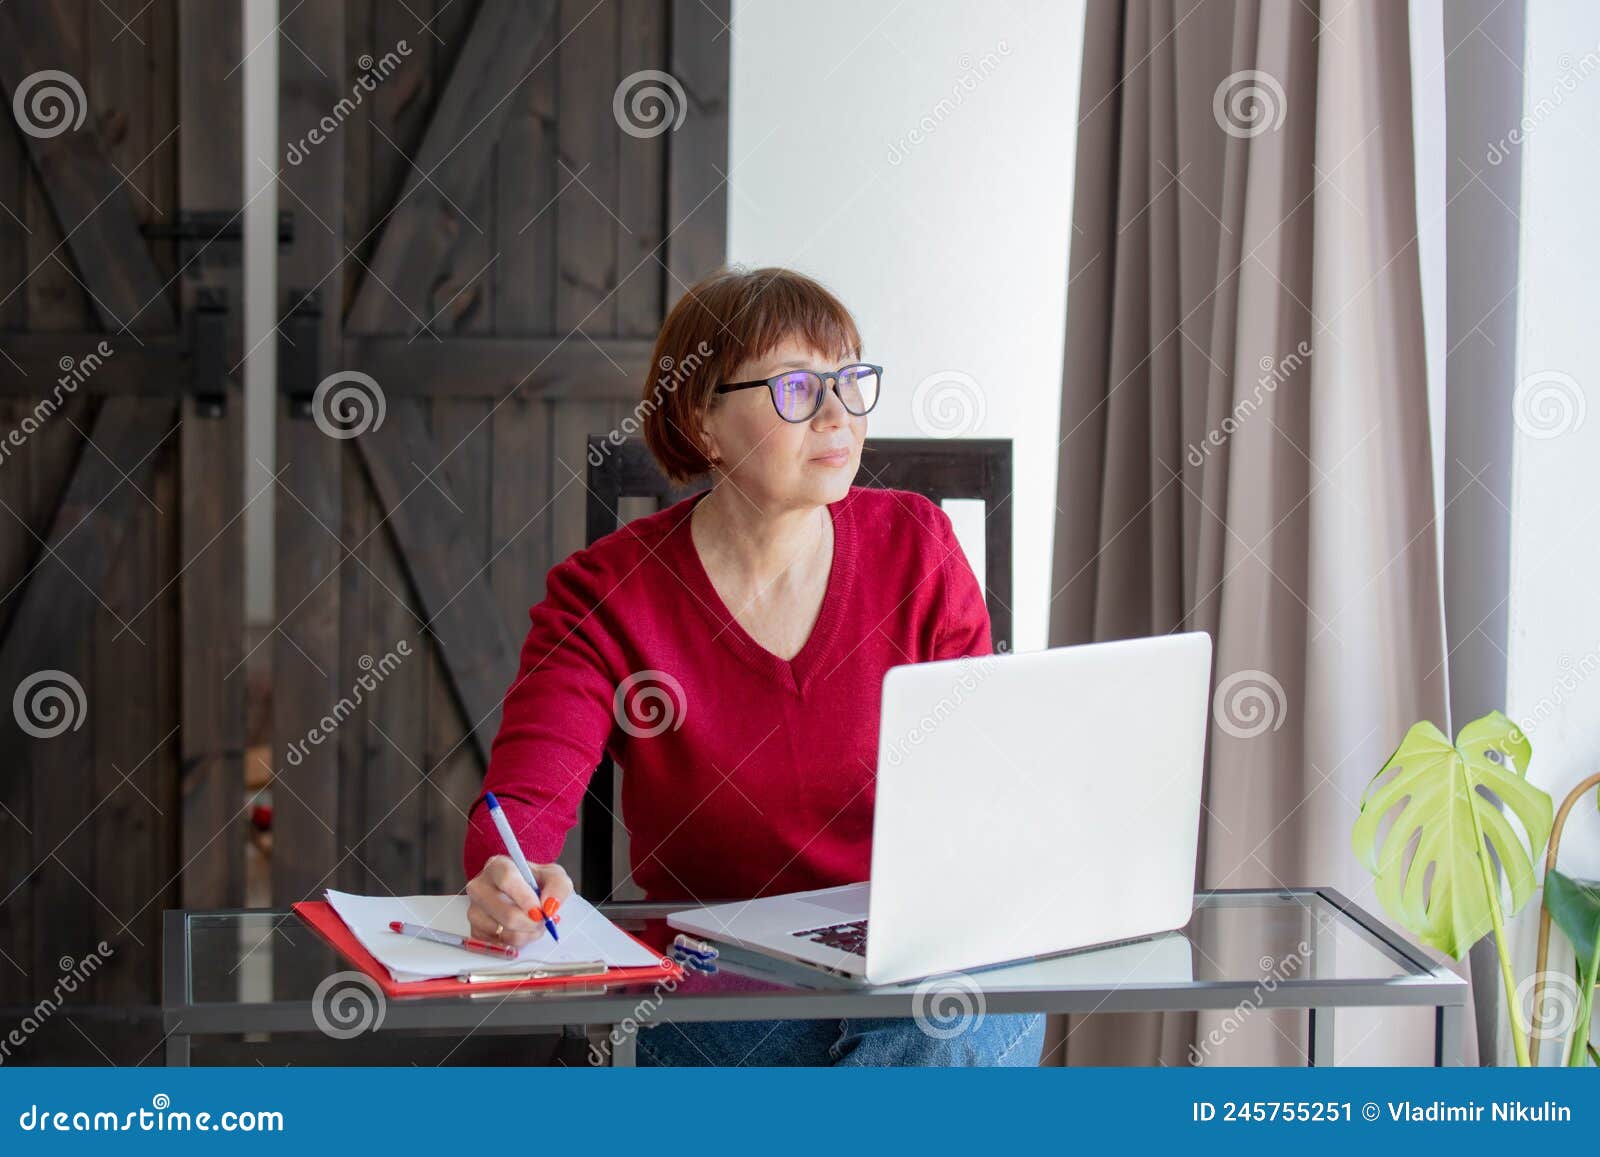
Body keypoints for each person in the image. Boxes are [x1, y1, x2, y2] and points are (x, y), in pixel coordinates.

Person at [461, 265, 1043, 1067]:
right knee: (928, 1058)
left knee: (937, 1028)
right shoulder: (609, 593)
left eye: (850, 380)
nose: (838, 414)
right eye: (798, 388)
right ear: (703, 419)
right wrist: (507, 874)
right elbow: (524, 800)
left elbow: (983, 777)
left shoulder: (919, 548)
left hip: (916, 952)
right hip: (725, 968)